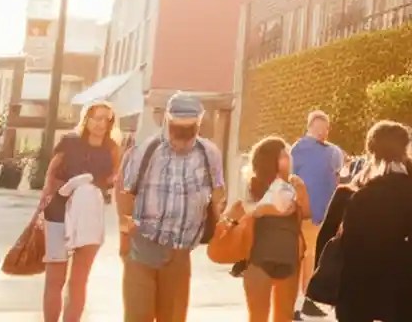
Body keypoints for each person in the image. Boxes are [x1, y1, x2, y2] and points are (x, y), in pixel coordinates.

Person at [118, 92, 226, 322]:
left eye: (189, 129)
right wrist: (125, 235)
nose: (183, 135)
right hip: (144, 246)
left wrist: (217, 219)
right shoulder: (147, 150)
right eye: (178, 128)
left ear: (199, 123)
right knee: (138, 316)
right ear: (168, 120)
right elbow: (127, 192)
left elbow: (218, 192)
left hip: (181, 252)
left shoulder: (209, 153)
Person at [315, 121, 412, 322]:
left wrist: (324, 276)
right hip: (398, 283)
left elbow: (325, 236)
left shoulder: (349, 193)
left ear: (370, 149)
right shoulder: (410, 193)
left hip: (354, 282)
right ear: (404, 150)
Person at [38, 101, 121, 322]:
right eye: (97, 118)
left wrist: (100, 183)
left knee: (79, 281)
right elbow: (51, 174)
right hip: (58, 213)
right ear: (87, 118)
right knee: (55, 279)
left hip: (89, 215)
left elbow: (116, 177)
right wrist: (45, 202)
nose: (101, 123)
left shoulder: (112, 148)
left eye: (106, 119)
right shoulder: (69, 142)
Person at [226, 137, 310, 322]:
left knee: (284, 316)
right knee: (257, 317)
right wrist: (266, 210)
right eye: (283, 156)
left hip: (289, 258)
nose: (289, 159)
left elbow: (306, 213)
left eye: (288, 155)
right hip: (258, 258)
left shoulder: (294, 184)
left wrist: (301, 193)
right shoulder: (253, 185)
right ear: (270, 160)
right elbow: (239, 212)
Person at [290, 110, 343, 320]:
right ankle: (298, 302)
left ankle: (308, 300)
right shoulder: (299, 149)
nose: (323, 132)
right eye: (320, 127)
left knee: (315, 258)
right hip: (305, 214)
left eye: (326, 128)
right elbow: (290, 179)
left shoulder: (334, 151)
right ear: (310, 126)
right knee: (303, 257)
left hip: (326, 214)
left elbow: (338, 180)